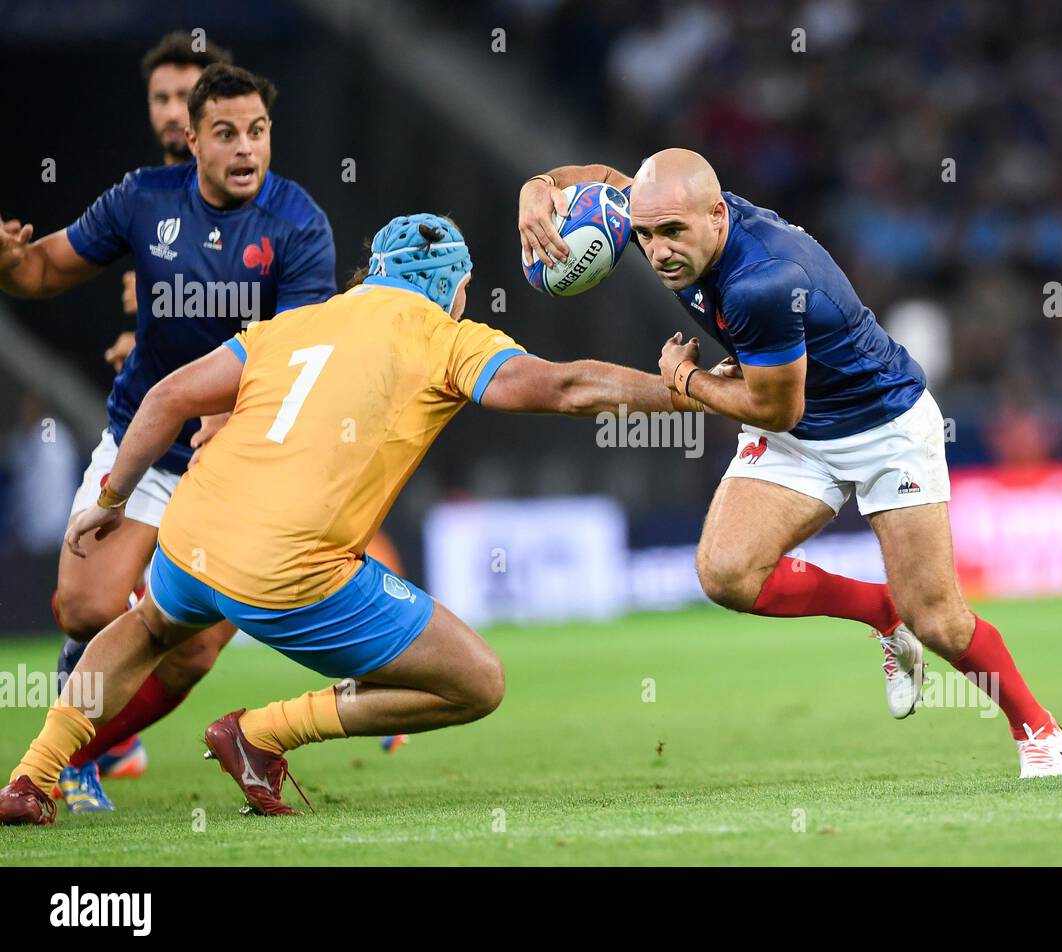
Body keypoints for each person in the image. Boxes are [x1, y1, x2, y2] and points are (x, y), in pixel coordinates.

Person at [0, 213, 694, 824]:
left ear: (378, 271)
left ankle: (31, 776)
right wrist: (682, 391)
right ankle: (265, 732)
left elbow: (168, 396)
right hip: (287, 570)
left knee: (149, 626)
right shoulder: (446, 336)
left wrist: (111, 500)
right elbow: (568, 387)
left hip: (192, 536)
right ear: (454, 285)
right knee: (478, 680)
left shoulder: (292, 325)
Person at [518, 149, 1062, 777]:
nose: (658, 250)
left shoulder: (763, 283)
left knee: (939, 619)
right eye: (644, 234)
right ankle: (882, 614)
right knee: (726, 574)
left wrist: (685, 379)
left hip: (881, 425)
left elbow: (772, 409)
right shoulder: (672, 211)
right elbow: (611, 183)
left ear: (717, 215)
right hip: (799, 426)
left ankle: (1037, 726)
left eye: (672, 232)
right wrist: (539, 188)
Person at [0, 62, 336, 811]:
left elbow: (300, 352)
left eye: (258, 132)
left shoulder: (300, 222)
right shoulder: (143, 199)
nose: (246, 148)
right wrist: (10, 266)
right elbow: (46, 270)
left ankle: (76, 756)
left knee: (194, 649)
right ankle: (91, 689)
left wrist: (232, 416)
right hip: (144, 444)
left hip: (241, 458)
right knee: (84, 609)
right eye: (226, 134)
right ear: (193, 140)